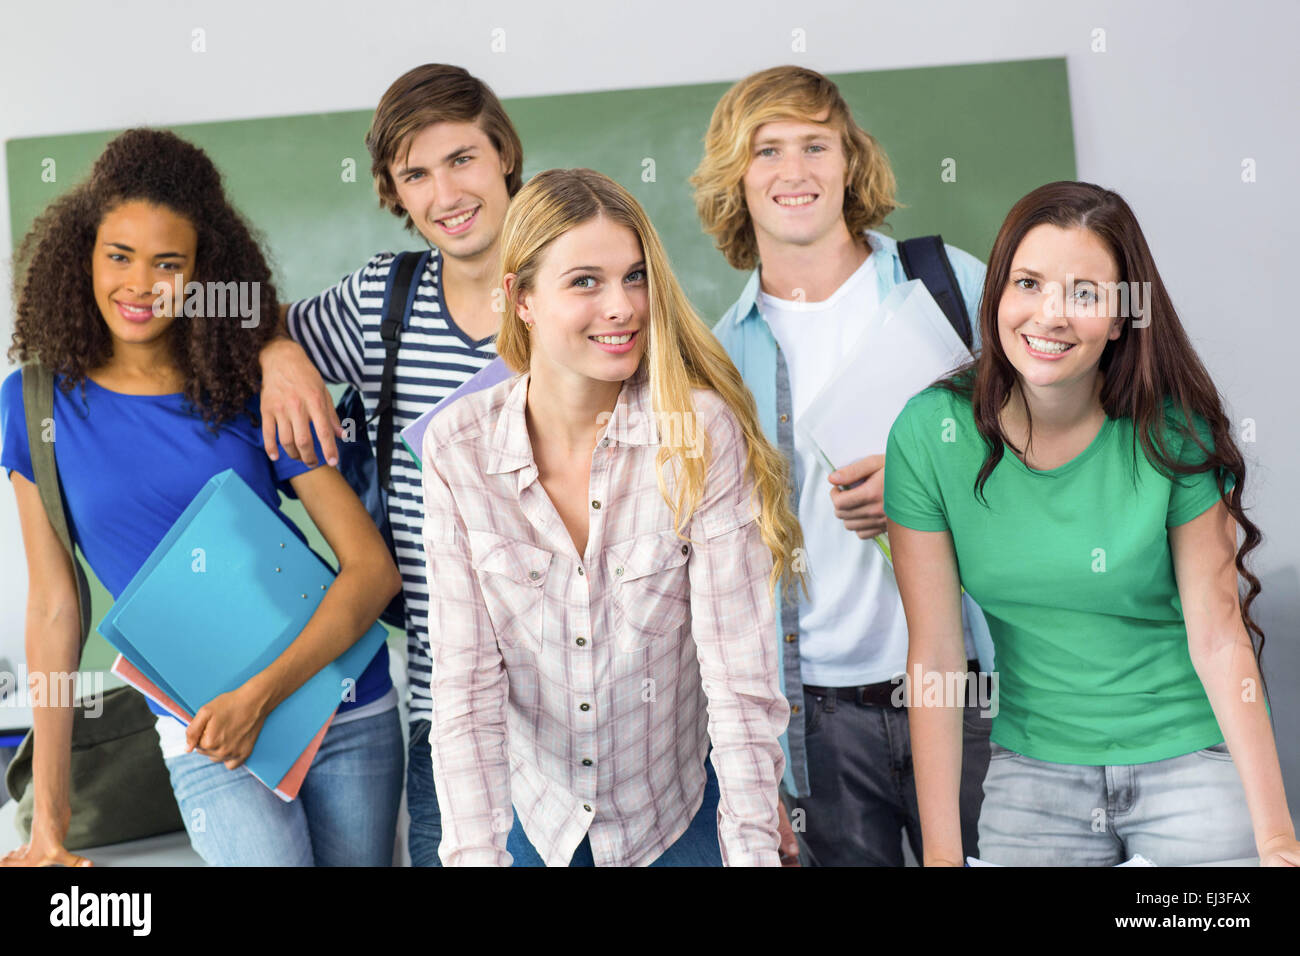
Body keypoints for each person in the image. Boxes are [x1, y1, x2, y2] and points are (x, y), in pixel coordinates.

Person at [0, 129, 404, 867]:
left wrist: (261, 692)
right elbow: (54, 609)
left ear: (202, 271)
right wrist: (46, 827)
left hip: (342, 704)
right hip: (200, 728)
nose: (139, 284)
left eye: (168, 264)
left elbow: (371, 570)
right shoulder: (34, 405)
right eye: (118, 255)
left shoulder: (251, 384)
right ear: (82, 253)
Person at [884, 180, 1300, 866]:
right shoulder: (931, 435)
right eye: (1027, 283)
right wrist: (941, 855)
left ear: (1120, 318)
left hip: (1188, 759)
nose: (1050, 315)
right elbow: (934, 657)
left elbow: (1220, 635)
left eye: (1084, 293)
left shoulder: (1174, 435)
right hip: (1033, 776)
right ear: (996, 296)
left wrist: (1278, 839)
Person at [420, 167, 801, 866]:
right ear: (522, 298)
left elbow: (739, 682)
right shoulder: (457, 450)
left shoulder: (697, 433)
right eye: (585, 282)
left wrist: (751, 845)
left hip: (674, 817)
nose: (623, 306)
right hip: (537, 821)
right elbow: (465, 692)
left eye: (634, 277)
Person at [692, 64, 993, 866]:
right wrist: (759, 781)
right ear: (736, 178)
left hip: (970, 691)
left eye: (815, 145)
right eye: (767, 151)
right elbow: (715, 578)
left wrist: (930, 492)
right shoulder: (716, 360)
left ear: (851, 159)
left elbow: (1058, 458)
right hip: (814, 721)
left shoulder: (950, 287)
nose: (795, 172)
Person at [256, 64, 523, 865]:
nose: (446, 193)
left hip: (605, 712)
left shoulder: (586, 292)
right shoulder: (385, 303)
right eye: (416, 174)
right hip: (452, 718)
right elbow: (230, 316)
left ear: (505, 152)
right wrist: (275, 349)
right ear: (394, 192)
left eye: (463, 159)